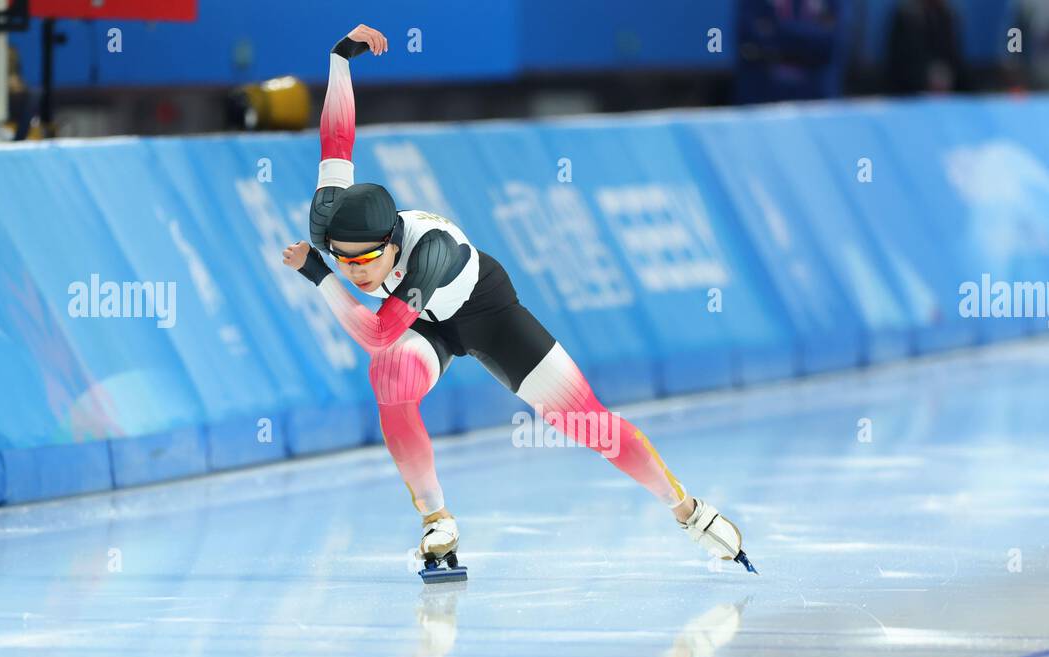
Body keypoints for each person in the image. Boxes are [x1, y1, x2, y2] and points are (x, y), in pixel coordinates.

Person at [281, 24, 755, 577]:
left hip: (483, 310)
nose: (354, 272)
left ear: (392, 243)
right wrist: (340, 59)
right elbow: (337, 141)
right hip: (425, 325)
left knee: (587, 423)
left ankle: (689, 511)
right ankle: (437, 519)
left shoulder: (429, 251)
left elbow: (377, 332)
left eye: (365, 262)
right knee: (390, 381)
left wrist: (319, 277)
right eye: (340, 258)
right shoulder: (331, 219)